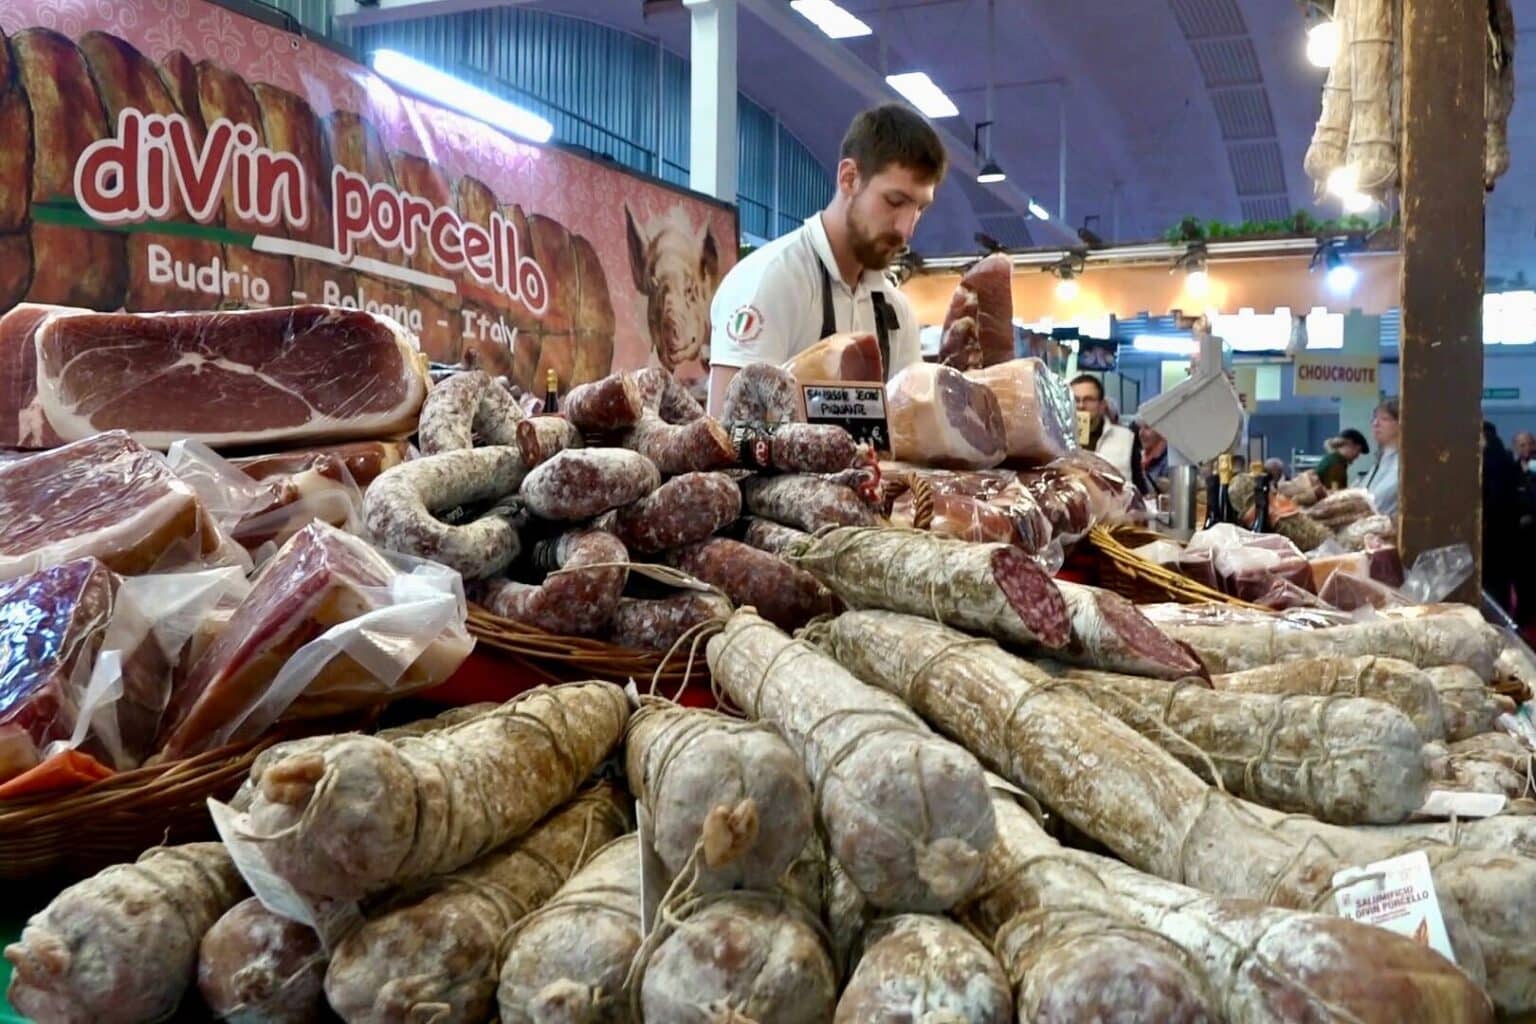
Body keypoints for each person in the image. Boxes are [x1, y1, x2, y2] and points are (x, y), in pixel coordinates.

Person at [707, 104, 946, 415]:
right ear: (849, 178)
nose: (906, 229)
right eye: (895, 201)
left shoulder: (895, 311)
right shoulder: (770, 281)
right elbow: (728, 432)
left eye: (919, 209)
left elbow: (907, 428)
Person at [1483, 422, 1522, 614]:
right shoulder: (1504, 458)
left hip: (1491, 531)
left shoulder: (1489, 460)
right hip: (1507, 530)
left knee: (1493, 583)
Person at [1071, 374, 1136, 481]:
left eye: (1089, 399)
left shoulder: (1126, 438)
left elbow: (1139, 484)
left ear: (1102, 405)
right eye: (1075, 400)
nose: (1081, 406)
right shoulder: (1055, 440)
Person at [1364, 398, 1400, 516]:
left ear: (1401, 423)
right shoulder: (1382, 458)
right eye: (1374, 418)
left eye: (1384, 419)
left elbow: (1377, 503)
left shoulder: (1402, 463)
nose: (1375, 424)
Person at [1138, 422, 1171, 495]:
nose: (1141, 433)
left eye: (1147, 428)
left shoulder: (1170, 461)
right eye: (1140, 428)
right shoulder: (1140, 457)